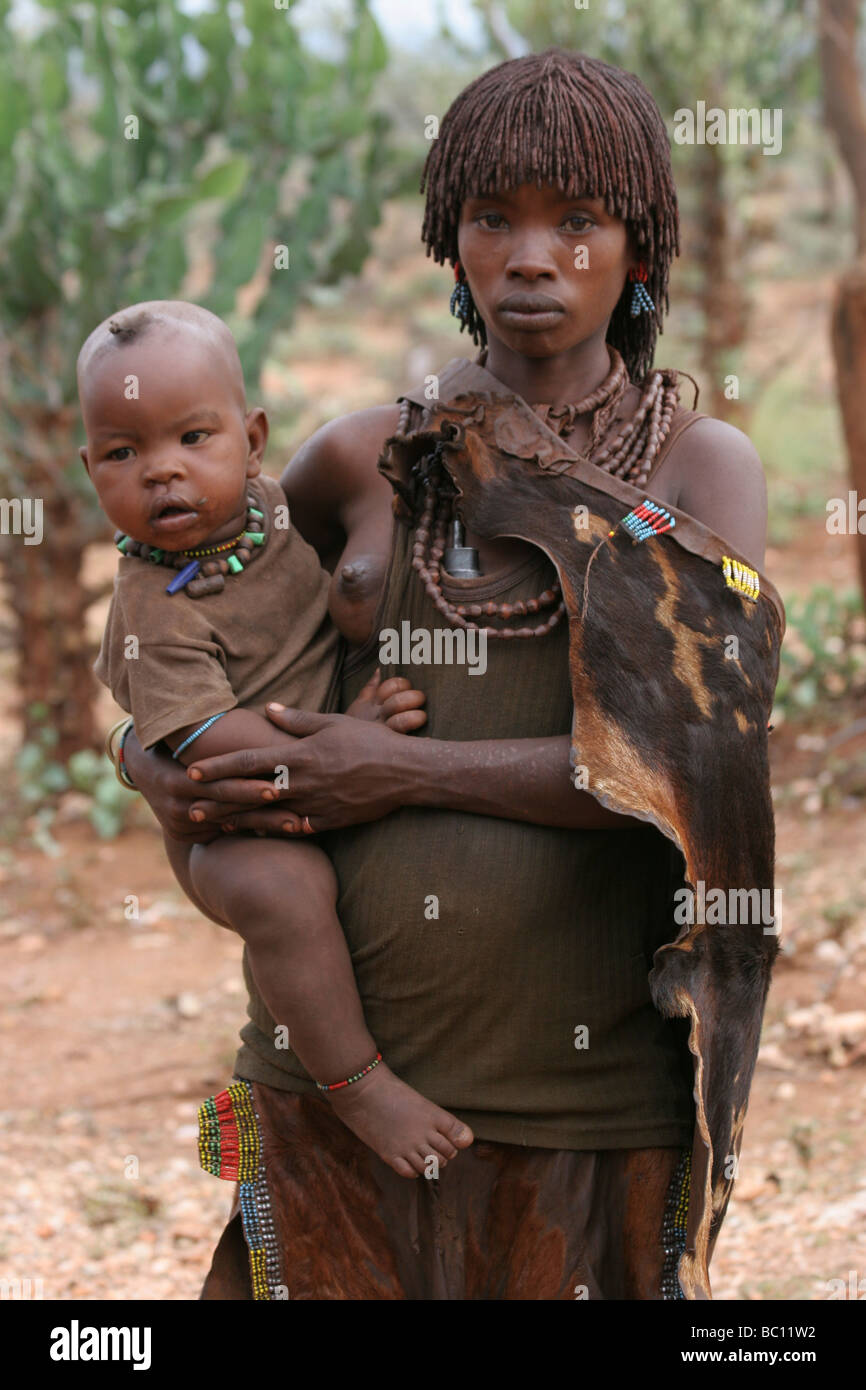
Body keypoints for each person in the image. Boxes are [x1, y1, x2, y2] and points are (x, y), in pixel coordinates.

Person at [118, 50, 776, 1300]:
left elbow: (696, 769)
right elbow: (184, 624)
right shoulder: (361, 457)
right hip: (335, 1079)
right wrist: (150, 765)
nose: (530, 254)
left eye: (574, 221)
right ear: (450, 238)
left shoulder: (696, 471)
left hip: (584, 1090)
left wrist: (395, 765)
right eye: (494, 218)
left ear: (638, 246)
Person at [80, 299, 475, 1177]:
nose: (161, 474)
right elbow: (210, 744)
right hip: (232, 826)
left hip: (320, 766)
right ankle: (358, 1086)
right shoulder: (154, 605)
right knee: (287, 898)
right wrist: (350, 735)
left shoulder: (273, 514)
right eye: (122, 453)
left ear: (252, 439)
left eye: (193, 439)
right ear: (89, 471)